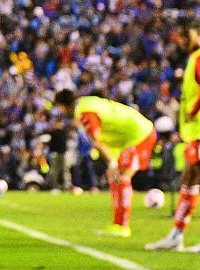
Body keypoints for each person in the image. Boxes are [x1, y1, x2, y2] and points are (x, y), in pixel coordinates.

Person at [145, 19, 200, 254]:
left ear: (199, 34)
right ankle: (177, 234)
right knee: (189, 181)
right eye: (180, 36)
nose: (182, 41)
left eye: (186, 36)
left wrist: (193, 110)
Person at [54, 89, 156, 237]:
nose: (59, 111)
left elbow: (97, 141)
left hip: (139, 135)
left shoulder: (85, 112)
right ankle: (117, 224)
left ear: (64, 105)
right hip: (127, 137)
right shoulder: (86, 103)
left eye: (58, 107)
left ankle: (122, 227)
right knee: (115, 178)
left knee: (122, 178)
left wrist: (113, 164)